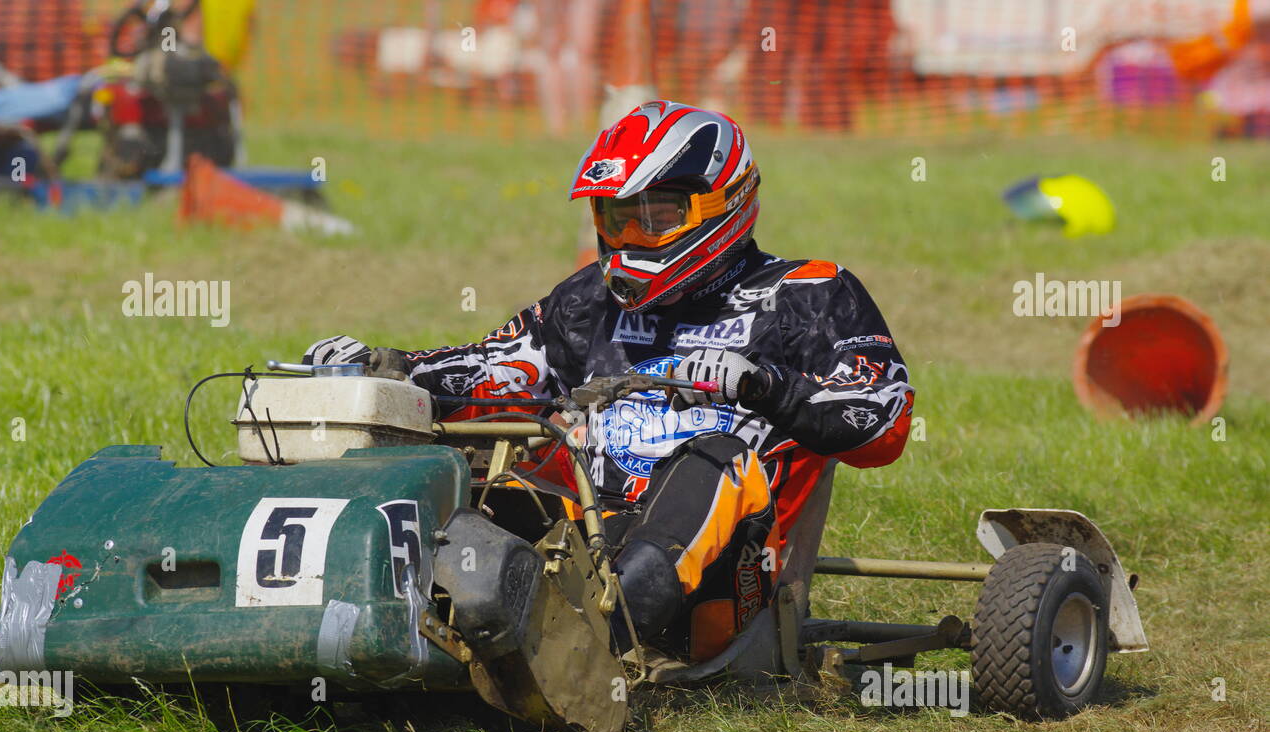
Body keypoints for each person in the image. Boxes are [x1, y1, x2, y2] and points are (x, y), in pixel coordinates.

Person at [304, 100, 913, 663]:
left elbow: (881, 421)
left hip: (732, 579)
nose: (632, 238)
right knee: (467, 463)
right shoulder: (588, 302)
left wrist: (764, 386)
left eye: (656, 216)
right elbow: (493, 367)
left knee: (713, 458)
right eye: (618, 217)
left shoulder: (810, 292)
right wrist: (390, 369)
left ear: (724, 202)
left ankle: (592, 641)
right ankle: (373, 617)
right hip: (589, 538)